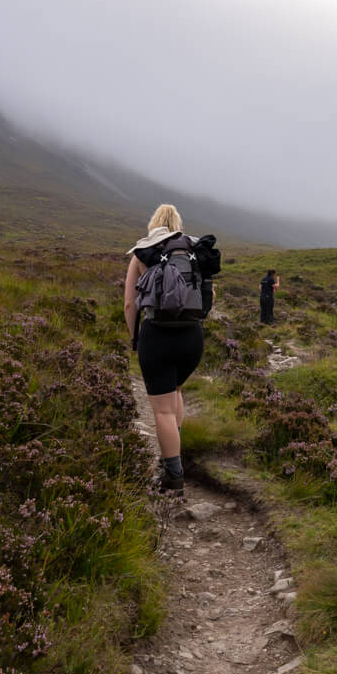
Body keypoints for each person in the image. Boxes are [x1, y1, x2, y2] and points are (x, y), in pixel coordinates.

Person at [123, 205, 207, 494]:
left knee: (162, 411)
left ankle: (173, 477)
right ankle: (176, 451)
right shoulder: (193, 250)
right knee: (176, 391)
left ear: (154, 224)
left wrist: (135, 337)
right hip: (192, 337)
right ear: (178, 224)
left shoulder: (143, 251)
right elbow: (209, 295)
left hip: (157, 336)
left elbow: (129, 303)